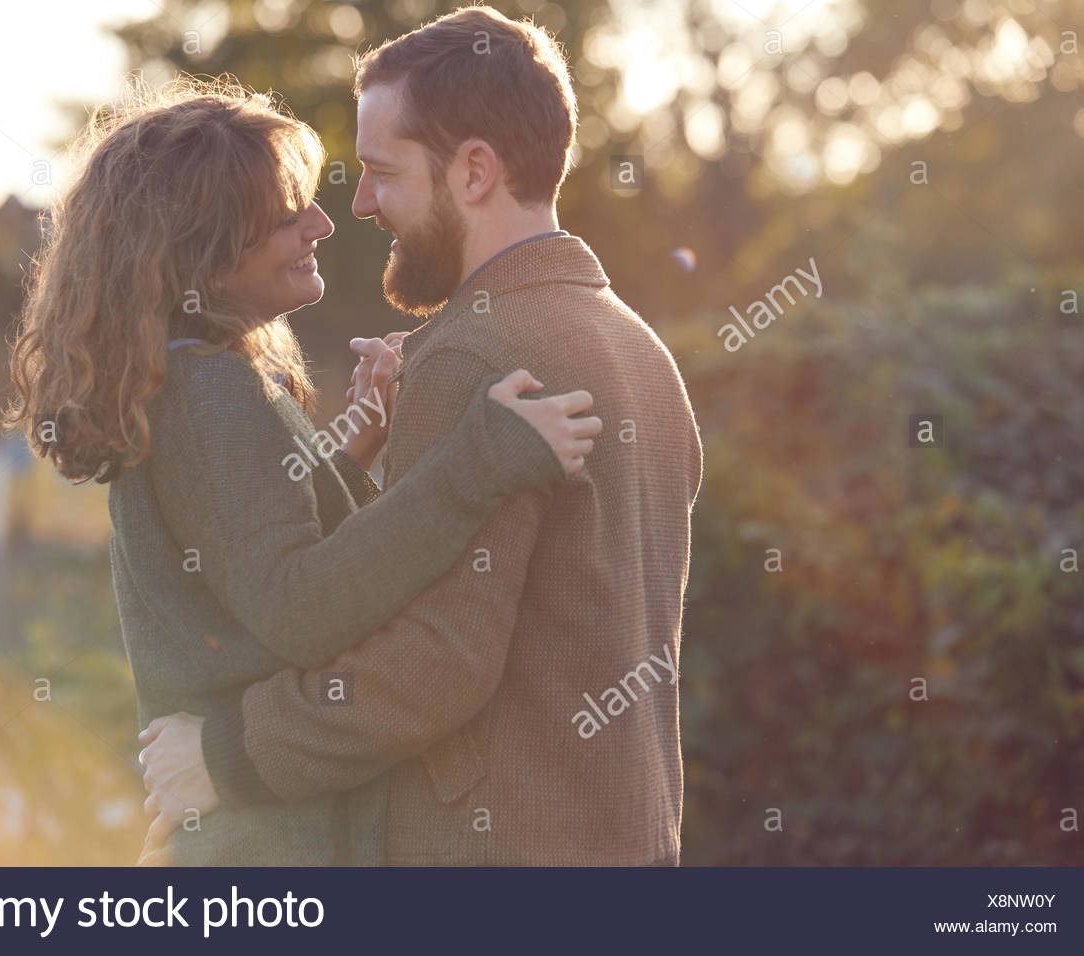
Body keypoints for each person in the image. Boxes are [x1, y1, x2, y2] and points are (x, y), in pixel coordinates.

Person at [139, 6, 703, 866]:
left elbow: (435, 662)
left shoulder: (474, 351)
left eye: (382, 172)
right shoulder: (638, 347)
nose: (360, 204)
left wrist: (226, 754)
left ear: (473, 170)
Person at [1, 75, 602, 865]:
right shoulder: (207, 391)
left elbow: (262, 553)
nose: (322, 223)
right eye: (288, 217)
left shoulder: (199, 382)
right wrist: (481, 456)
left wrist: (356, 448)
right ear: (203, 252)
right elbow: (301, 607)